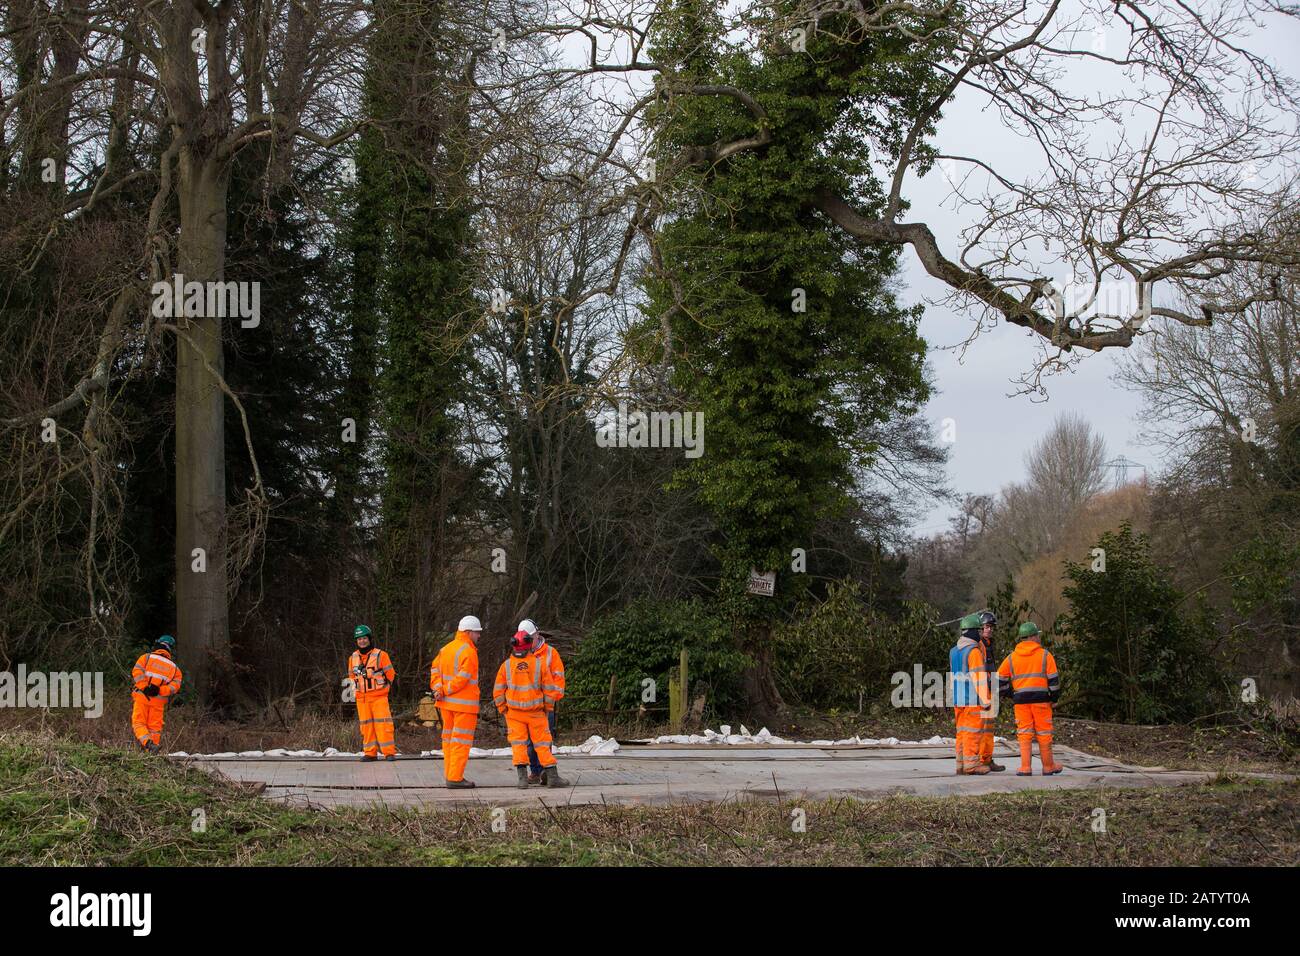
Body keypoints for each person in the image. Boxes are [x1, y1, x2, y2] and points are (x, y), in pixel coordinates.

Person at [493, 627, 571, 789]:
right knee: (542, 744)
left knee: (519, 745)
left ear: (513, 645)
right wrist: (547, 708)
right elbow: (550, 690)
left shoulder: (506, 666)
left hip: (514, 714)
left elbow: (498, 691)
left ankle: (522, 780)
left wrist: (503, 709)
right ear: (529, 645)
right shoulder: (539, 664)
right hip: (537, 713)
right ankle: (553, 777)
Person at [996, 622, 1064, 776]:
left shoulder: (1011, 658)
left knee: (1024, 734)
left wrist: (1009, 694)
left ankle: (1025, 767)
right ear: (1033, 637)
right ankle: (1048, 767)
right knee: (1044, 733)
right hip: (1041, 701)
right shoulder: (1046, 655)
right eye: (1037, 635)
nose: (1039, 637)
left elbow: (999, 679)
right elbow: (1054, 681)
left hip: (1021, 702)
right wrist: (1054, 698)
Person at [429, 615, 482, 788]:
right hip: (464, 706)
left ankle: (450, 775)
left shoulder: (445, 649)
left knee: (449, 740)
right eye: (477, 632)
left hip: (446, 704)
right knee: (461, 742)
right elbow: (463, 678)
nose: (479, 636)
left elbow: (435, 670)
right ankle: (455, 778)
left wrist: (438, 689)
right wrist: (444, 690)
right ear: (468, 632)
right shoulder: (469, 651)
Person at [519, 619, 566, 785]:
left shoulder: (551, 653)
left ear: (537, 635)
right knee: (529, 743)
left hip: (545, 707)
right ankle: (535, 772)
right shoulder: (520, 654)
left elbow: (559, 678)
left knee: (545, 740)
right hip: (528, 707)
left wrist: (551, 700)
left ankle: (547, 772)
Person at [347, 624, 397, 761]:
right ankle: (370, 753)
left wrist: (384, 690)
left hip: (379, 697)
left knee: (384, 724)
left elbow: (391, 675)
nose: (362, 641)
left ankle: (389, 753)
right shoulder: (352, 658)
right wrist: (355, 692)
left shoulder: (381, 655)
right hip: (362, 699)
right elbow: (351, 677)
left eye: (364, 638)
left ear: (369, 639)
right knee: (366, 727)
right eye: (359, 639)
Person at [949, 614, 991, 775]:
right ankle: (972, 766)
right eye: (979, 630)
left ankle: (960, 764)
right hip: (972, 700)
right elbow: (979, 678)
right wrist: (986, 701)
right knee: (972, 733)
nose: (981, 634)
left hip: (958, 699)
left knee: (961, 733)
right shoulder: (973, 652)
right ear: (973, 631)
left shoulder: (954, 651)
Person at [131, 634, 182, 753]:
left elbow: (137, 672)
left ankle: (148, 744)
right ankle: (152, 754)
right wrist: (159, 690)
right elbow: (175, 687)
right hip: (158, 702)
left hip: (142, 697)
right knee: (154, 729)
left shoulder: (146, 658)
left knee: (138, 723)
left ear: (158, 644)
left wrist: (145, 687)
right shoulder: (175, 669)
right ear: (170, 649)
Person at [976, 610, 1005, 772]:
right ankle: (981, 759)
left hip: (990, 688)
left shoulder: (989, 644)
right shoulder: (979, 645)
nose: (989, 629)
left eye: (991, 627)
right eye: (987, 626)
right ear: (980, 628)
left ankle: (987, 759)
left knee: (989, 728)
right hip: (982, 690)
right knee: (982, 727)